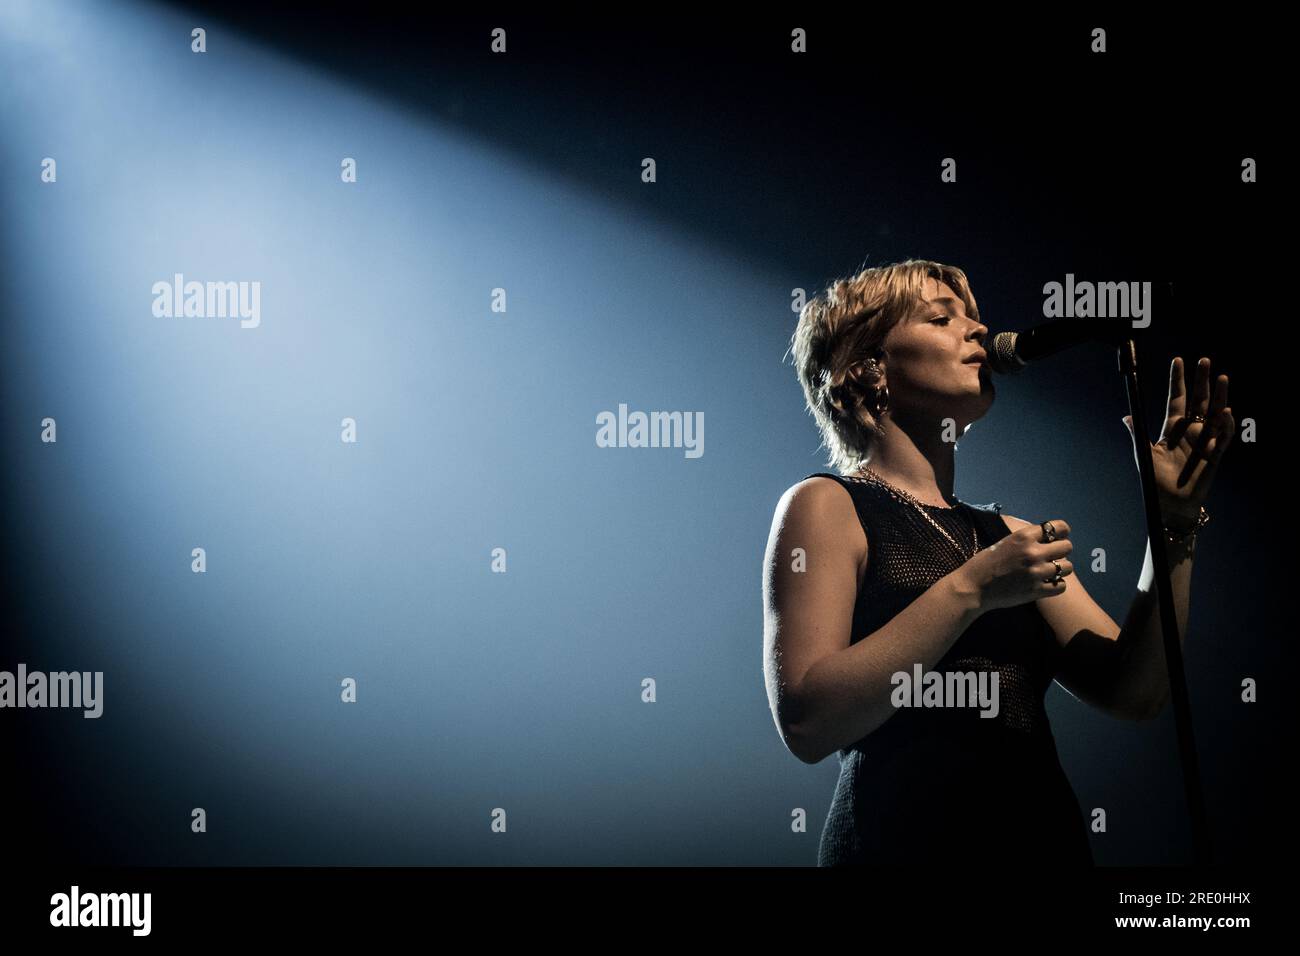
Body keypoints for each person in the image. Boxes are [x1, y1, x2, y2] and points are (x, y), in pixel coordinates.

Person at [762, 258, 1234, 865]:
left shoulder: (1006, 535)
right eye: (941, 318)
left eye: (976, 319)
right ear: (867, 369)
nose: (979, 332)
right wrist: (973, 588)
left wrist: (1172, 525)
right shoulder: (826, 505)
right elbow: (807, 720)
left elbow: (1134, 691)